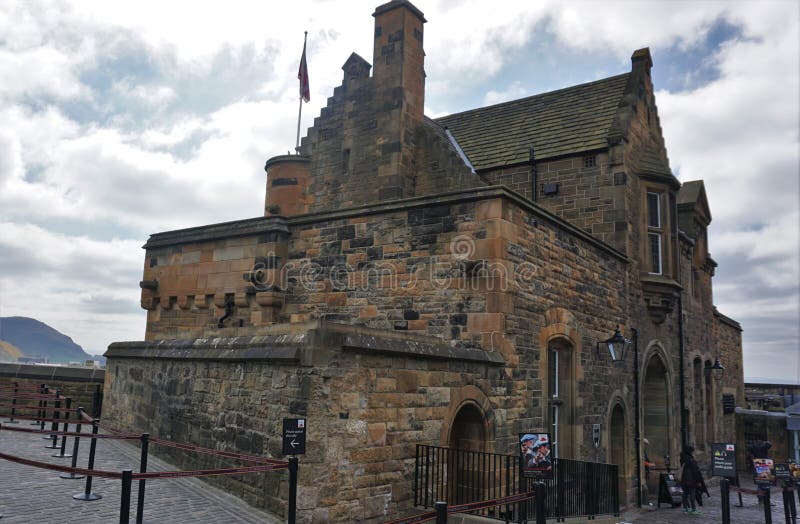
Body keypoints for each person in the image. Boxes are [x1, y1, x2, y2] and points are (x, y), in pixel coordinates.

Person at [679, 446, 703, 514]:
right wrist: (698, 481)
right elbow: (695, 471)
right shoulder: (691, 460)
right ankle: (693, 509)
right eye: (692, 451)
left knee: (685, 494)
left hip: (684, 479)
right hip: (692, 480)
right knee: (692, 494)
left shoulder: (682, 459)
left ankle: (685, 508)